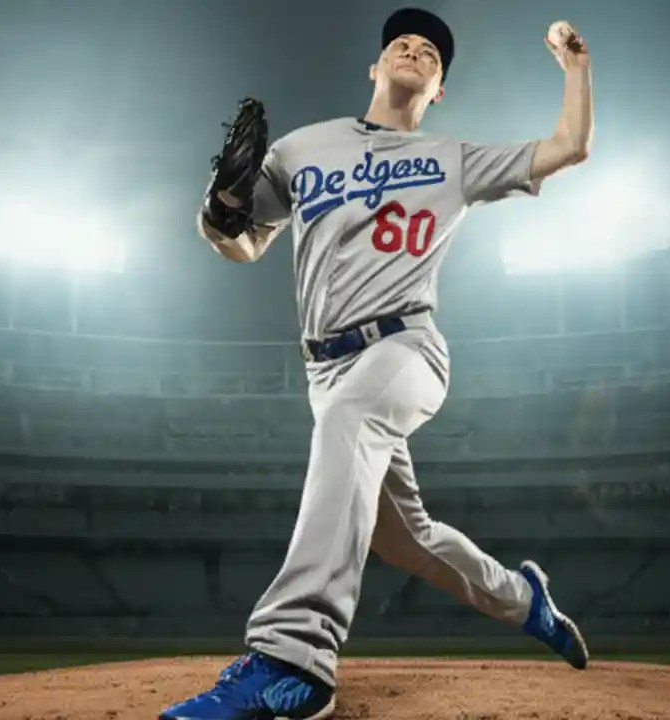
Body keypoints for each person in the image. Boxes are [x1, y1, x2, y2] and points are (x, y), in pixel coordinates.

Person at [160, 7, 594, 719]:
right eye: (402, 41)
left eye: (430, 51)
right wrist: (219, 208)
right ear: (375, 66)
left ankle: (294, 658)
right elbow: (240, 242)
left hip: (407, 348)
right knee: (405, 538)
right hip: (325, 370)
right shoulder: (304, 148)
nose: (415, 49)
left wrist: (576, 67)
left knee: (354, 419)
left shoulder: (453, 157)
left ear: (439, 89)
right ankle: (526, 600)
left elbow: (570, 145)